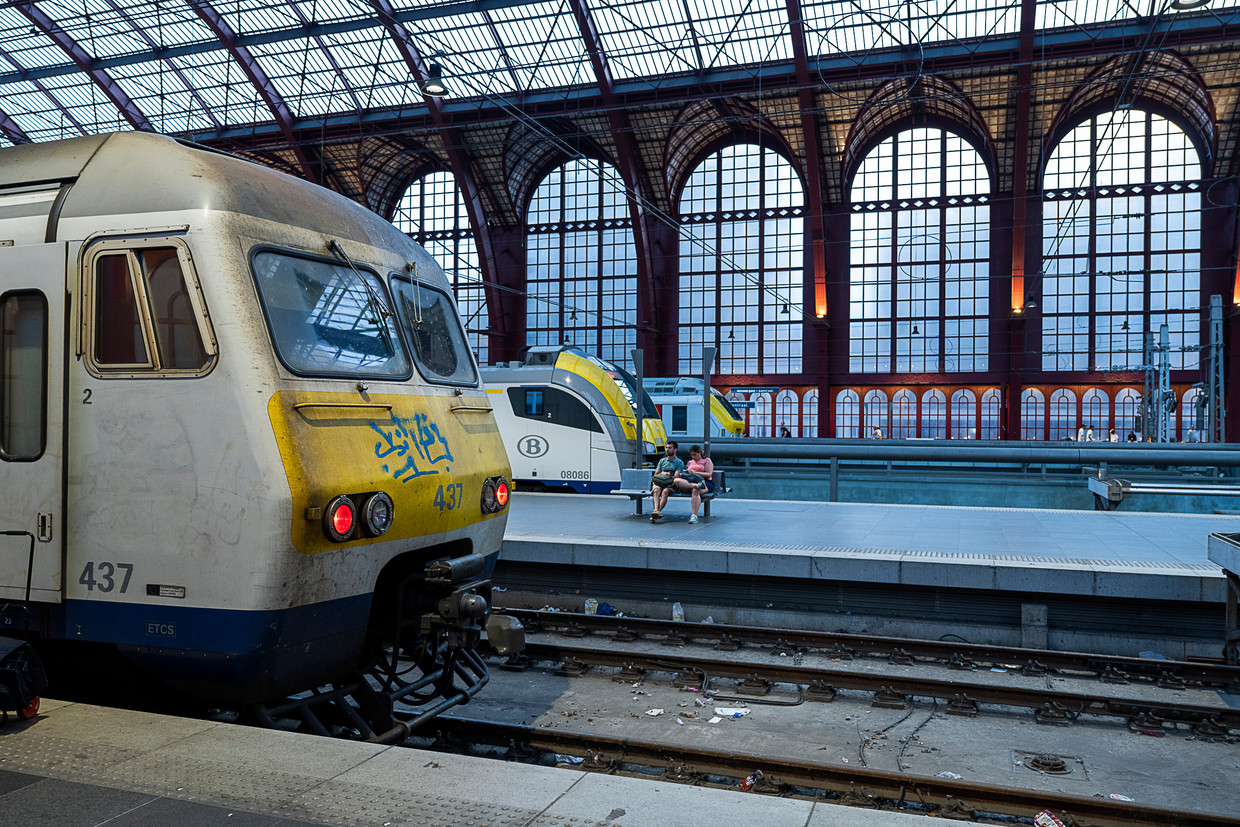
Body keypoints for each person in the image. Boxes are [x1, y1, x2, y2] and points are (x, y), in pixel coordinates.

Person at [670, 444, 715, 524]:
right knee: (676, 480)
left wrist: (696, 472)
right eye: (691, 455)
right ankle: (696, 486)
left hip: (705, 482)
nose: (693, 457)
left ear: (700, 453)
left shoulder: (707, 460)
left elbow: (709, 474)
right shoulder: (690, 462)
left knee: (695, 490)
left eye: (695, 455)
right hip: (692, 481)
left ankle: (694, 515)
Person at [649, 441, 684, 522]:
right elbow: (656, 473)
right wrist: (664, 473)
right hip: (660, 480)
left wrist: (668, 476)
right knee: (656, 491)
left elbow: (676, 476)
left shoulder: (679, 462)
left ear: (675, 449)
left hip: (669, 483)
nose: (667, 449)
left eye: (670, 448)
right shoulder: (662, 461)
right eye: (666, 447)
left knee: (665, 491)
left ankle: (656, 512)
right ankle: (656, 511)